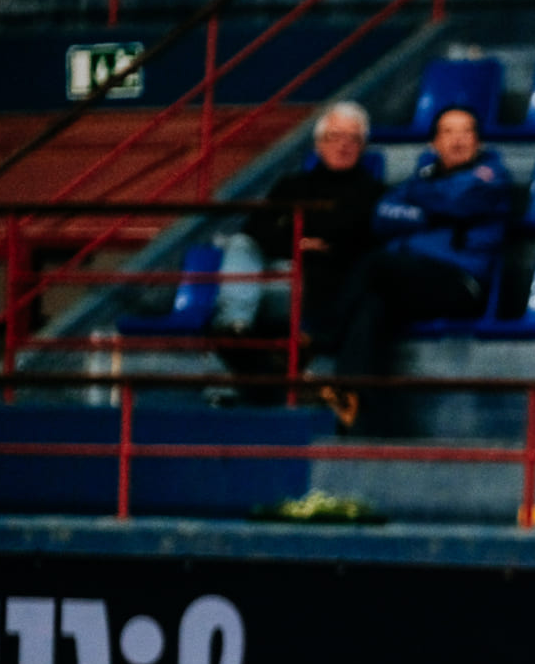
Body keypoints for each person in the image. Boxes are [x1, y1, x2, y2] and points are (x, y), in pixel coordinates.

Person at [318, 105, 513, 430]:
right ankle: (360, 410)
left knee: (376, 264)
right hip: (413, 279)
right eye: (448, 132)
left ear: (478, 142)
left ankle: (323, 342)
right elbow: (382, 214)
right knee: (371, 305)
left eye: (466, 131)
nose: (458, 140)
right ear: (434, 143)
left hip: (460, 283)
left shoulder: (491, 177)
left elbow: (459, 201)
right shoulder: (425, 178)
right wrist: (427, 212)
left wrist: (420, 201)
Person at [212, 102, 383, 396]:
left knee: (219, 314)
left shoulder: (374, 192)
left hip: (321, 283)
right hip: (275, 273)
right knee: (241, 245)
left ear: (363, 146)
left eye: (352, 138)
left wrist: (295, 239)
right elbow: (256, 230)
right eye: (334, 137)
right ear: (318, 144)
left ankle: (244, 376)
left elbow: (353, 240)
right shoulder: (291, 185)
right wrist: (297, 244)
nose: (343, 145)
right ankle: (237, 326)